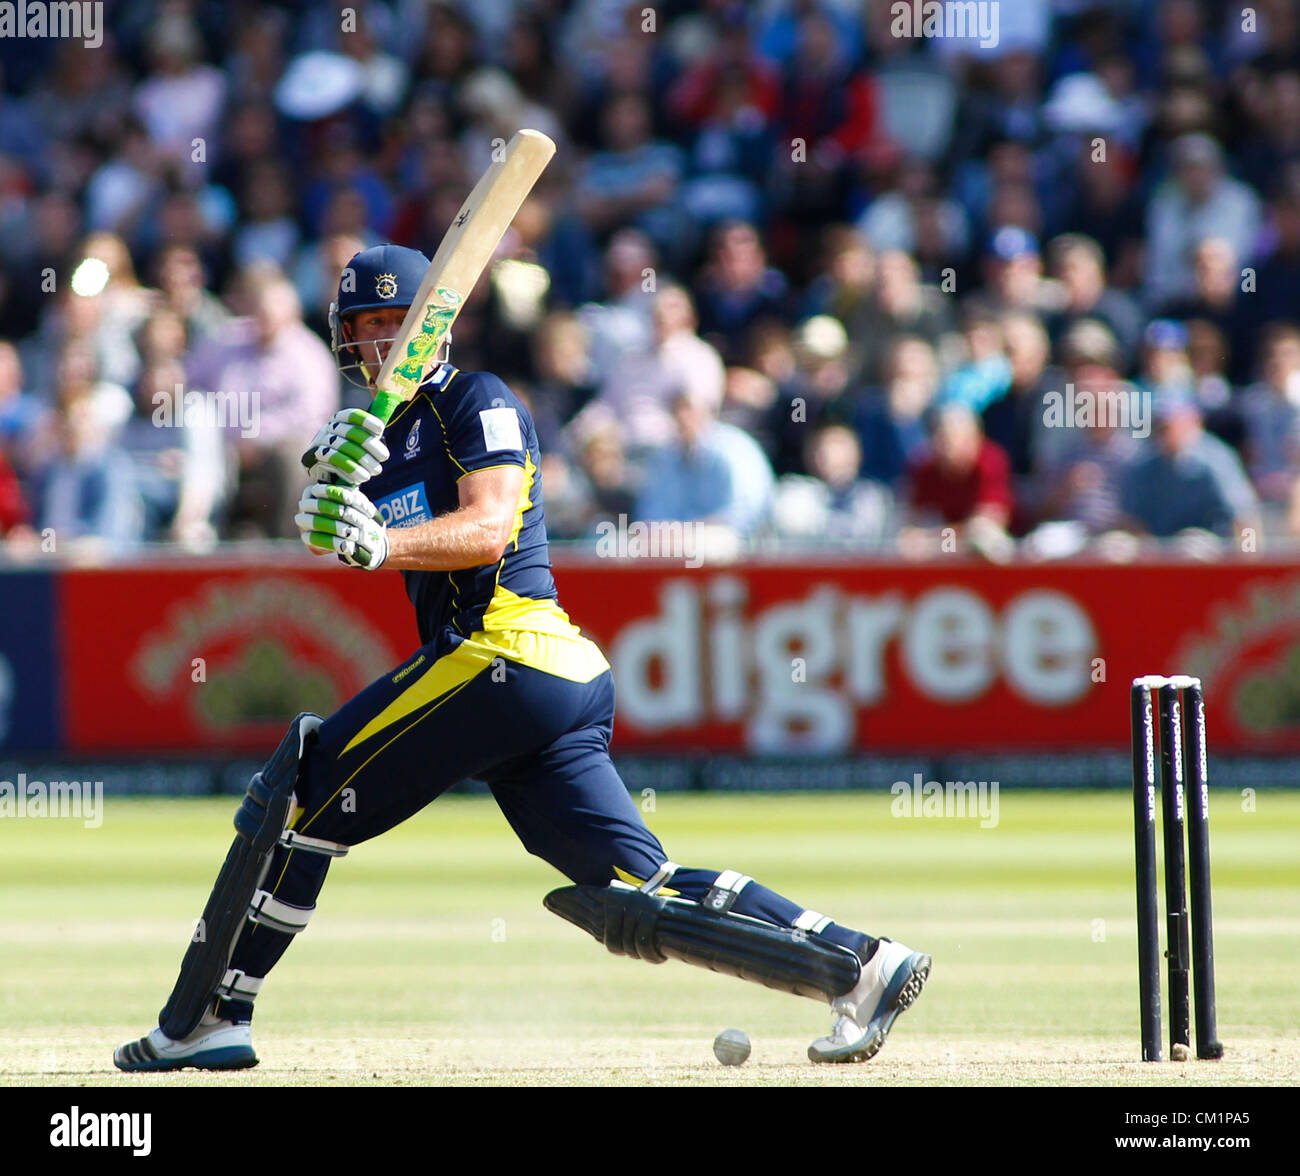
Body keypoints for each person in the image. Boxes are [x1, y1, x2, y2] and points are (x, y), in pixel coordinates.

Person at [113, 244, 930, 1073]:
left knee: (300, 788)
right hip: (531, 684)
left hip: (504, 648)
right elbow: (329, 534)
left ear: (436, 327)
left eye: (405, 324)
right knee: (633, 890)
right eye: (373, 326)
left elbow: (490, 527)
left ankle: (212, 1015)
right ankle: (860, 966)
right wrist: (326, 498)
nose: (390, 342)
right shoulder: (373, 435)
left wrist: (378, 541)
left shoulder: (478, 398)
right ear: (347, 338)